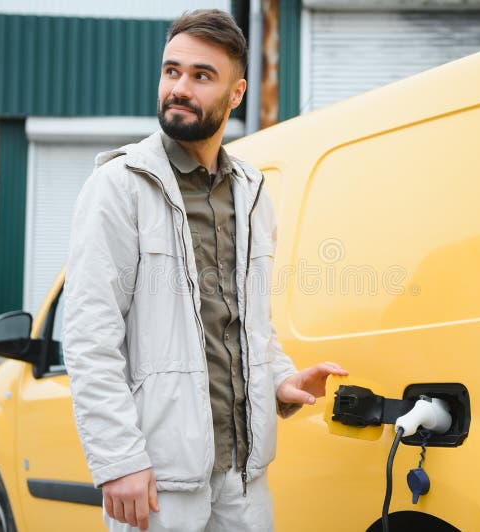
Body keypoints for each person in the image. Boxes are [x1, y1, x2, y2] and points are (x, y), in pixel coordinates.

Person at [62, 8, 348, 532]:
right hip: (159, 482)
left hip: (244, 477)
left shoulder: (252, 192)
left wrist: (281, 378)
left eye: (201, 76)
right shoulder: (120, 186)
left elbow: (246, 321)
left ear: (237, 93)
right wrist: (119, 459)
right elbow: (88, 335)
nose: (179, 88)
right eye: (172, 71)